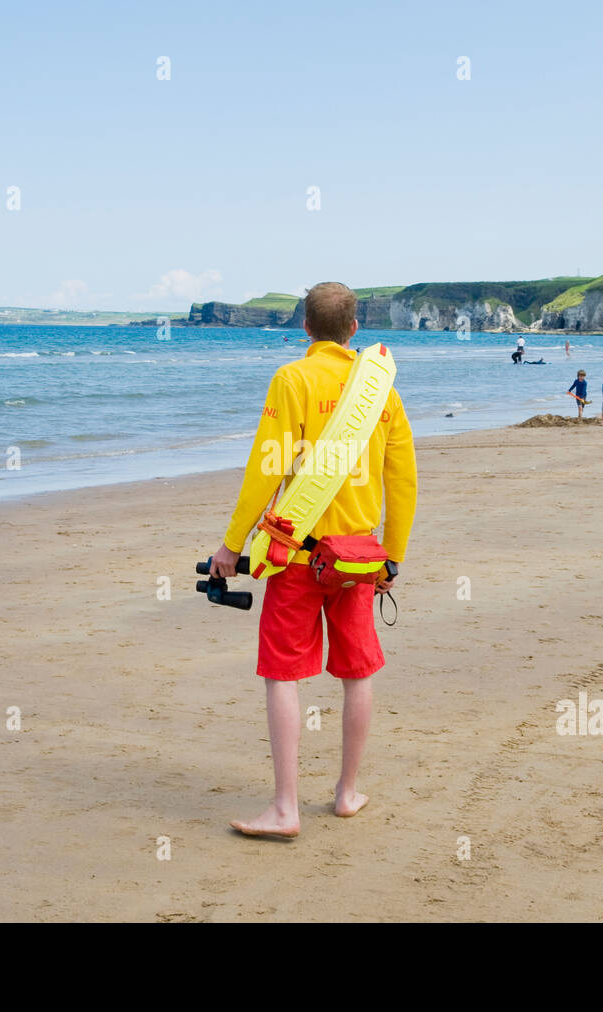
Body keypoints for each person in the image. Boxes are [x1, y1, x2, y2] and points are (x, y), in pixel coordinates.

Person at [210, 281, 418, 838]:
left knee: (283, 674)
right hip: (357, 559)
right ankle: (347, 793)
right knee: (357, 673)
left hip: (297, 557)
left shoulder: (292, 379)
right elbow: (402, 480)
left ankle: (285, 808)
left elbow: (265, 470)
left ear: (305, 328)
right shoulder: (381, 390)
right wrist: (391, 556)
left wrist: (232, 546)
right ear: (354, 329)